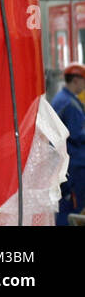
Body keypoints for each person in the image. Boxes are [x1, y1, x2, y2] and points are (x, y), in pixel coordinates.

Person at [52, 64, 85, 226]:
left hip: (67, 163)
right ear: (77, 80)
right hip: (75, 165)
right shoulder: (69, 103)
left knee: (68, 204)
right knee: (72, 206)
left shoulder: (62, 99)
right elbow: (77, 134)